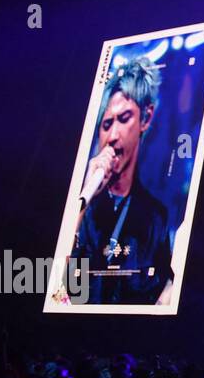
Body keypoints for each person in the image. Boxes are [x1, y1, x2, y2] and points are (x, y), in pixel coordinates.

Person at [68, 57, 175, 305]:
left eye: (124, 118)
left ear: (146, 118)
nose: (113, 136)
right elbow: (62, 287)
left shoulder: (155, 217)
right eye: (107, 124)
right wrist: (83, 202)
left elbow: (160, 293)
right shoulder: (86, 210)